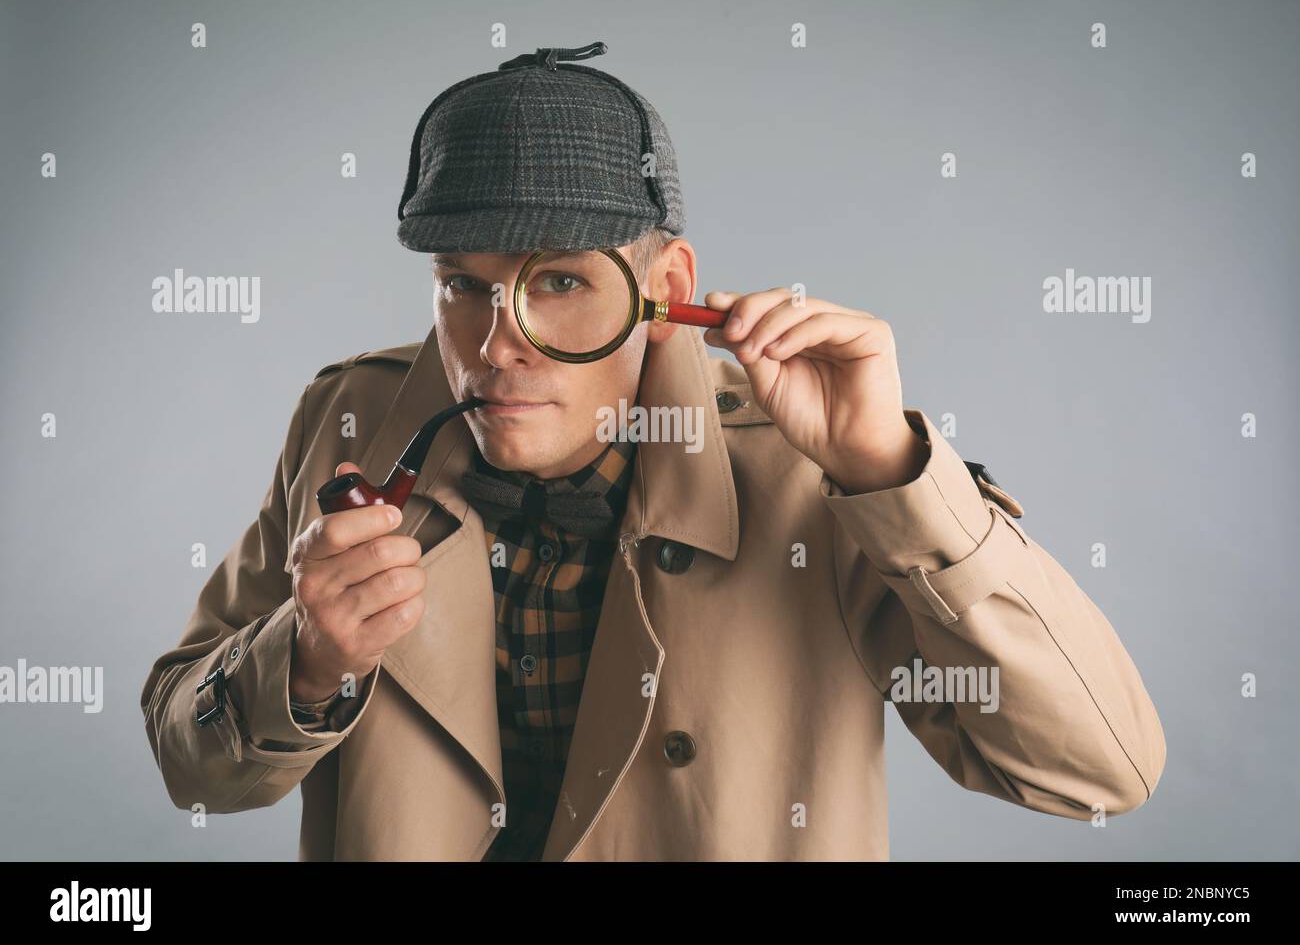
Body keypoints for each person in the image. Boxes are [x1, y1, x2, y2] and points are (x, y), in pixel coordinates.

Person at [140, 42, 1165, 861]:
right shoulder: (353, 420)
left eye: (560, 283)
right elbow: (192, 763)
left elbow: (1098, 771)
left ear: (665, 289)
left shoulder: (813, 468)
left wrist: (897, 478)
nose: (494, 349)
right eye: (462, 285)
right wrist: (307, 661)